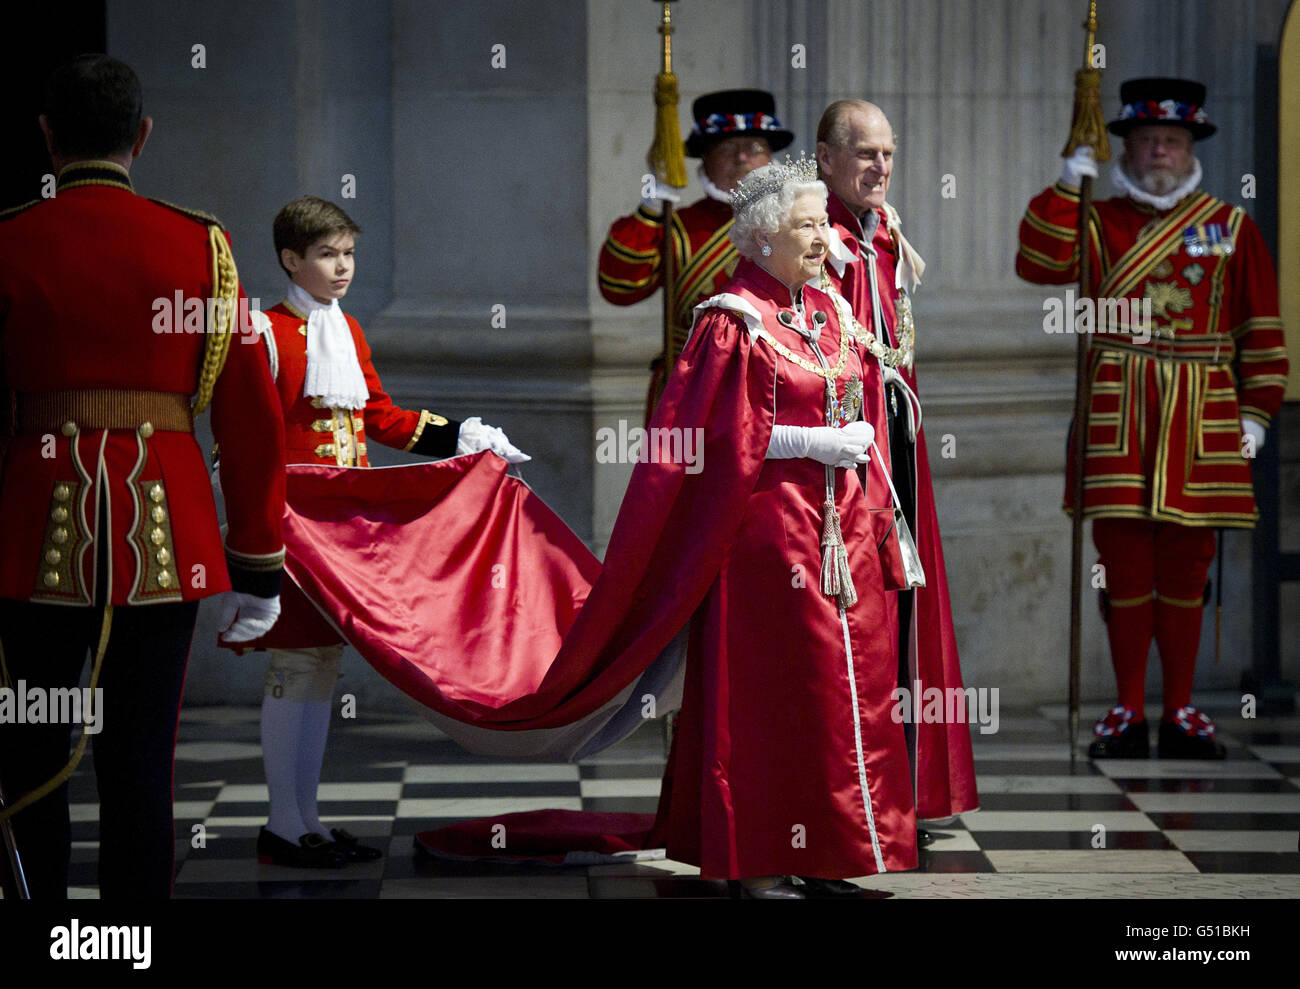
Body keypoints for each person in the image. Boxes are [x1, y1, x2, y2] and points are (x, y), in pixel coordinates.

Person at [0, 54, 286, 898]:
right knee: (139, 761)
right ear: (143, 136)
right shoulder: (203, 244)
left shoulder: (10, 237)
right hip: (162, 536)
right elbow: (250, 413)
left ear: (47, 136)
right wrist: (258, 559)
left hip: (27, 535)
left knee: (30, 758)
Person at [226, 195, 528, 868]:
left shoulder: (349, 330)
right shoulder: (264, 332)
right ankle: (282, 820)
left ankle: (307, 817)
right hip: (292, 529)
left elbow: (381, 419)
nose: (343, 267)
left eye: (350, 253)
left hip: (345, 533)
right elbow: (246, 437)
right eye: (329, 254)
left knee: (322, 666)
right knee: (295, 663)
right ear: (291, 260)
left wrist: (462, 433)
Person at [646, 157, 917, 897]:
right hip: (767, 535)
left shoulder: (827, 309)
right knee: (770, 693)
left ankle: (831, 850)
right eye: (807, 224)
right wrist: (808, 443)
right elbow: (714, 438)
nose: (824, 236)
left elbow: (865, 379)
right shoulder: (731, 321)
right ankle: (758, 856)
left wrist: (856, 436)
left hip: (843, 531)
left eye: (822, 222)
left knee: (839, 689)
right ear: (763, 237)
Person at [1016, 78, 1288, 759]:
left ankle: (1185, 708)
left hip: (1204, 417)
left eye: (1170, 140)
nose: (1158, 152)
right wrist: (1060, 187)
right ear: (1126, 150)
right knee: (1125, 564)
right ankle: (1129, 707)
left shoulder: (1230, 228)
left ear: (1190, 146)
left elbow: (1262, 328)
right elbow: (1037, 262)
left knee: (1189, 567)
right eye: (1144, 141)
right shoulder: (1096, 218)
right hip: (1119, 410)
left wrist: (1256, 412)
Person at [815, 100, 978, 829]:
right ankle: (856, 794)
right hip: (843, 450)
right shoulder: (811, 237)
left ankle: (904, 784)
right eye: (864, 153)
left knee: (907, 605)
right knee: (864, 615)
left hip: (898, 438)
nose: (880, 166)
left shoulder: (886, 235)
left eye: (888, 152)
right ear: (826, 159)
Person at [598, 89, 793, 419]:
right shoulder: (678, 225)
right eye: (727, 149)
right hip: (692, 395)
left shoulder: (801, 223)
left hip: (778, 387)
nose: (742, 159)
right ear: (705, 160)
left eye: (754, 147)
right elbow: (619, 287)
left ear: (771, 158)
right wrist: (650, 207)